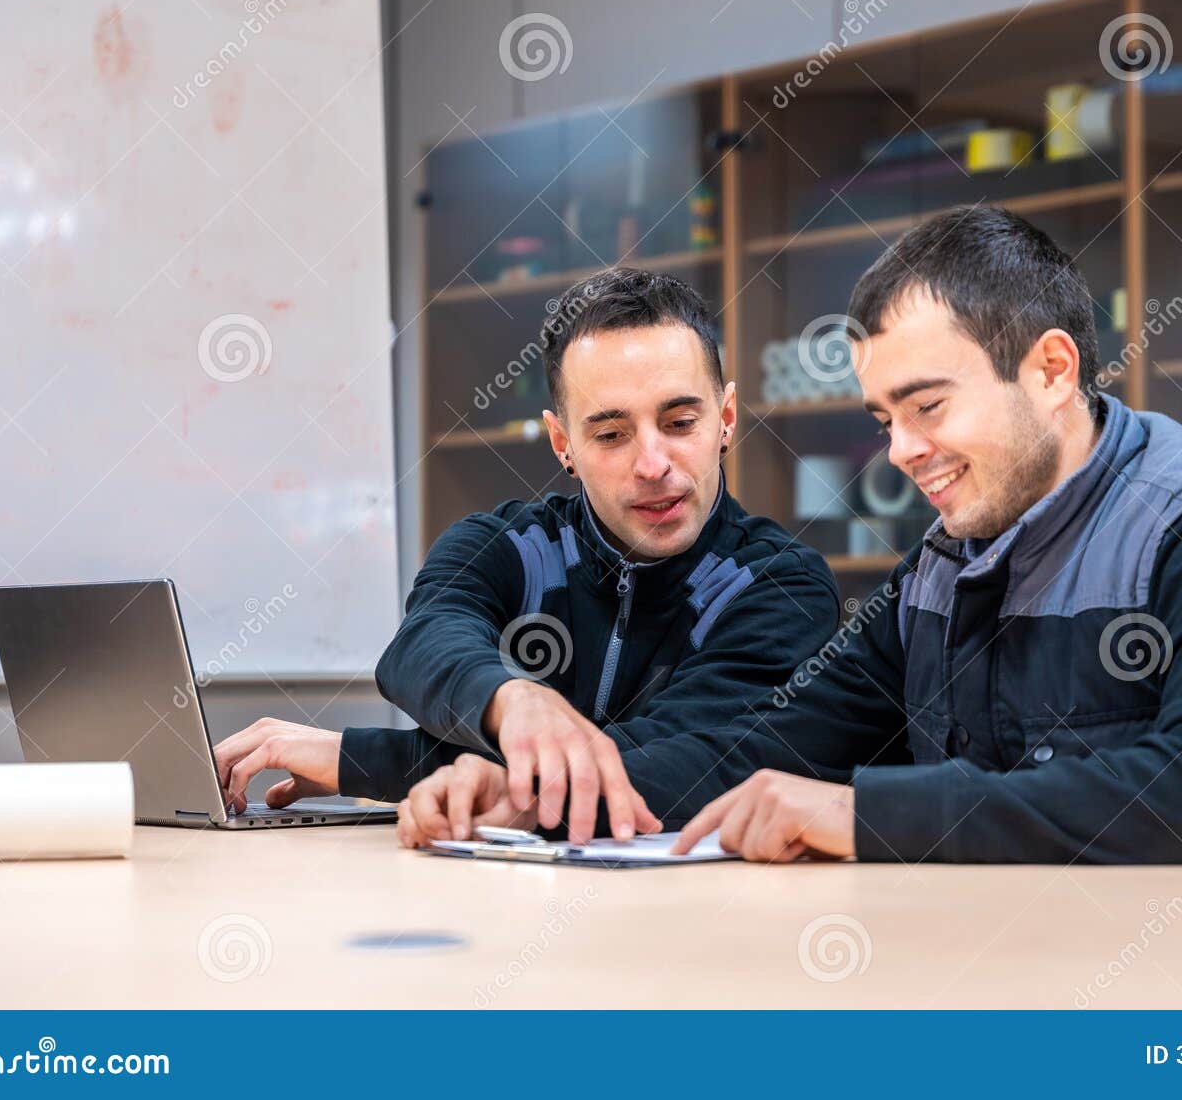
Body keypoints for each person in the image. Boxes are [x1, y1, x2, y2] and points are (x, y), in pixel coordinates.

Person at [409, 204, 1182, 865]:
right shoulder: (941, 566)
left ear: (1050, 371)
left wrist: (864, 814)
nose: (901, 452)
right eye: (885, 418)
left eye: (926, 405)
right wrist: (538, 800)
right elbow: (762, 746)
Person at [212, 267, 840, 845]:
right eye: (612, 434)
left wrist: (362, 761)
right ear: (564, 443)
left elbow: (660, 765)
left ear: (726, 418)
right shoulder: (505, 545)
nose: (653, 465)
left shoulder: (782, 587)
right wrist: (514, 700)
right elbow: (422, 645)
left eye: (679, 423)